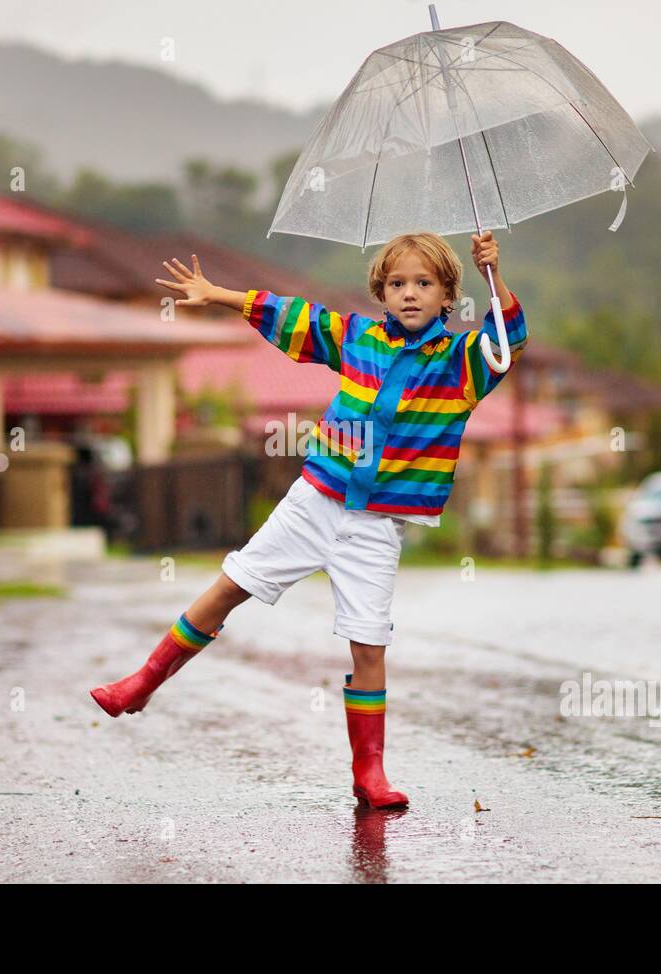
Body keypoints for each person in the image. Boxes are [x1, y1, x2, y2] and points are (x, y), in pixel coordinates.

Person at [90, 230, 528, 810]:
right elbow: (295, 318)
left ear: (449, 296)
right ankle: (142, 682)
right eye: (397, 284)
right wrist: (217, 293)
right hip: (314, 502)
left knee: (369, 644)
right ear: (381, 292)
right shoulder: (359, 339)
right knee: (229, 587)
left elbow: (509, 342)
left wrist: (493, 274)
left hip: (376, 526)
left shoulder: (460, 365)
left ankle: (369, 772)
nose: (410, 294)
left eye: (424, 284)